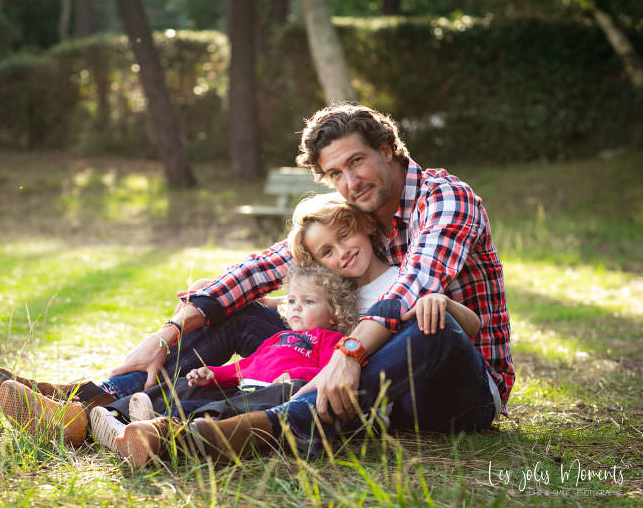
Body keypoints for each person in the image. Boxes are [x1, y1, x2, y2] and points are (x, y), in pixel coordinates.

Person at [96, 199, 484, 467]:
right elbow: (288, 300)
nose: (341, 253)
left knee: (427, 325)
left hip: (424, 392)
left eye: (345, 237)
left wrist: (443, 303)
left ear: (365, 227)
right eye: (327, 252)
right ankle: (103, 399)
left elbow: (459, 331)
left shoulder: (407, 275)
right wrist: (206, 306)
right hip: (347, 382)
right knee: (239, 311)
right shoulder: (338, 287)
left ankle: (237, 430)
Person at [86, 263, 356, 464]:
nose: (296, 307)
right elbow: (246, 366)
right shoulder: (279, 336)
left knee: (223, 408)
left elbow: (326, 374)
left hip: (278, 394)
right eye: (293, 301)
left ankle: (157, 430)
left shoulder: (330, 340)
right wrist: (213, 374)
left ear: (335, 314)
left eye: (308, 302)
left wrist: (294, 379)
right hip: (246, 386)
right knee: (187, 387)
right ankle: (118, 415)